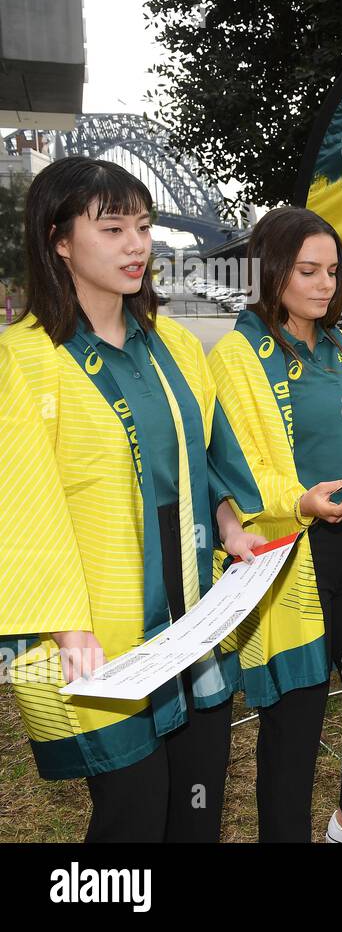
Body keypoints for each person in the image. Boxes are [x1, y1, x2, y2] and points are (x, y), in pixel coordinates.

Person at [0, 157, 262, 841]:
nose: (137, 244)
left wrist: (231, 523)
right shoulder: (23, 359)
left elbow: (208, 456)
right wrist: (63, 625)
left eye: (143, 226)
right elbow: (22, 504)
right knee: (132, 817)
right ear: (58, 240)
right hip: (103, 636)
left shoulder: (174, 342)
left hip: (193, 618)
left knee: (199, 804)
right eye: (112, 228)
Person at [208, 206, 342, 843]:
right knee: (294, 723)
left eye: (332, 271)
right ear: (272, 271)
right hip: (288, 557)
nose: (326, 284)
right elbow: (234, 466)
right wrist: (300, 501)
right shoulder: (237, 356)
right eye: (308, 270)